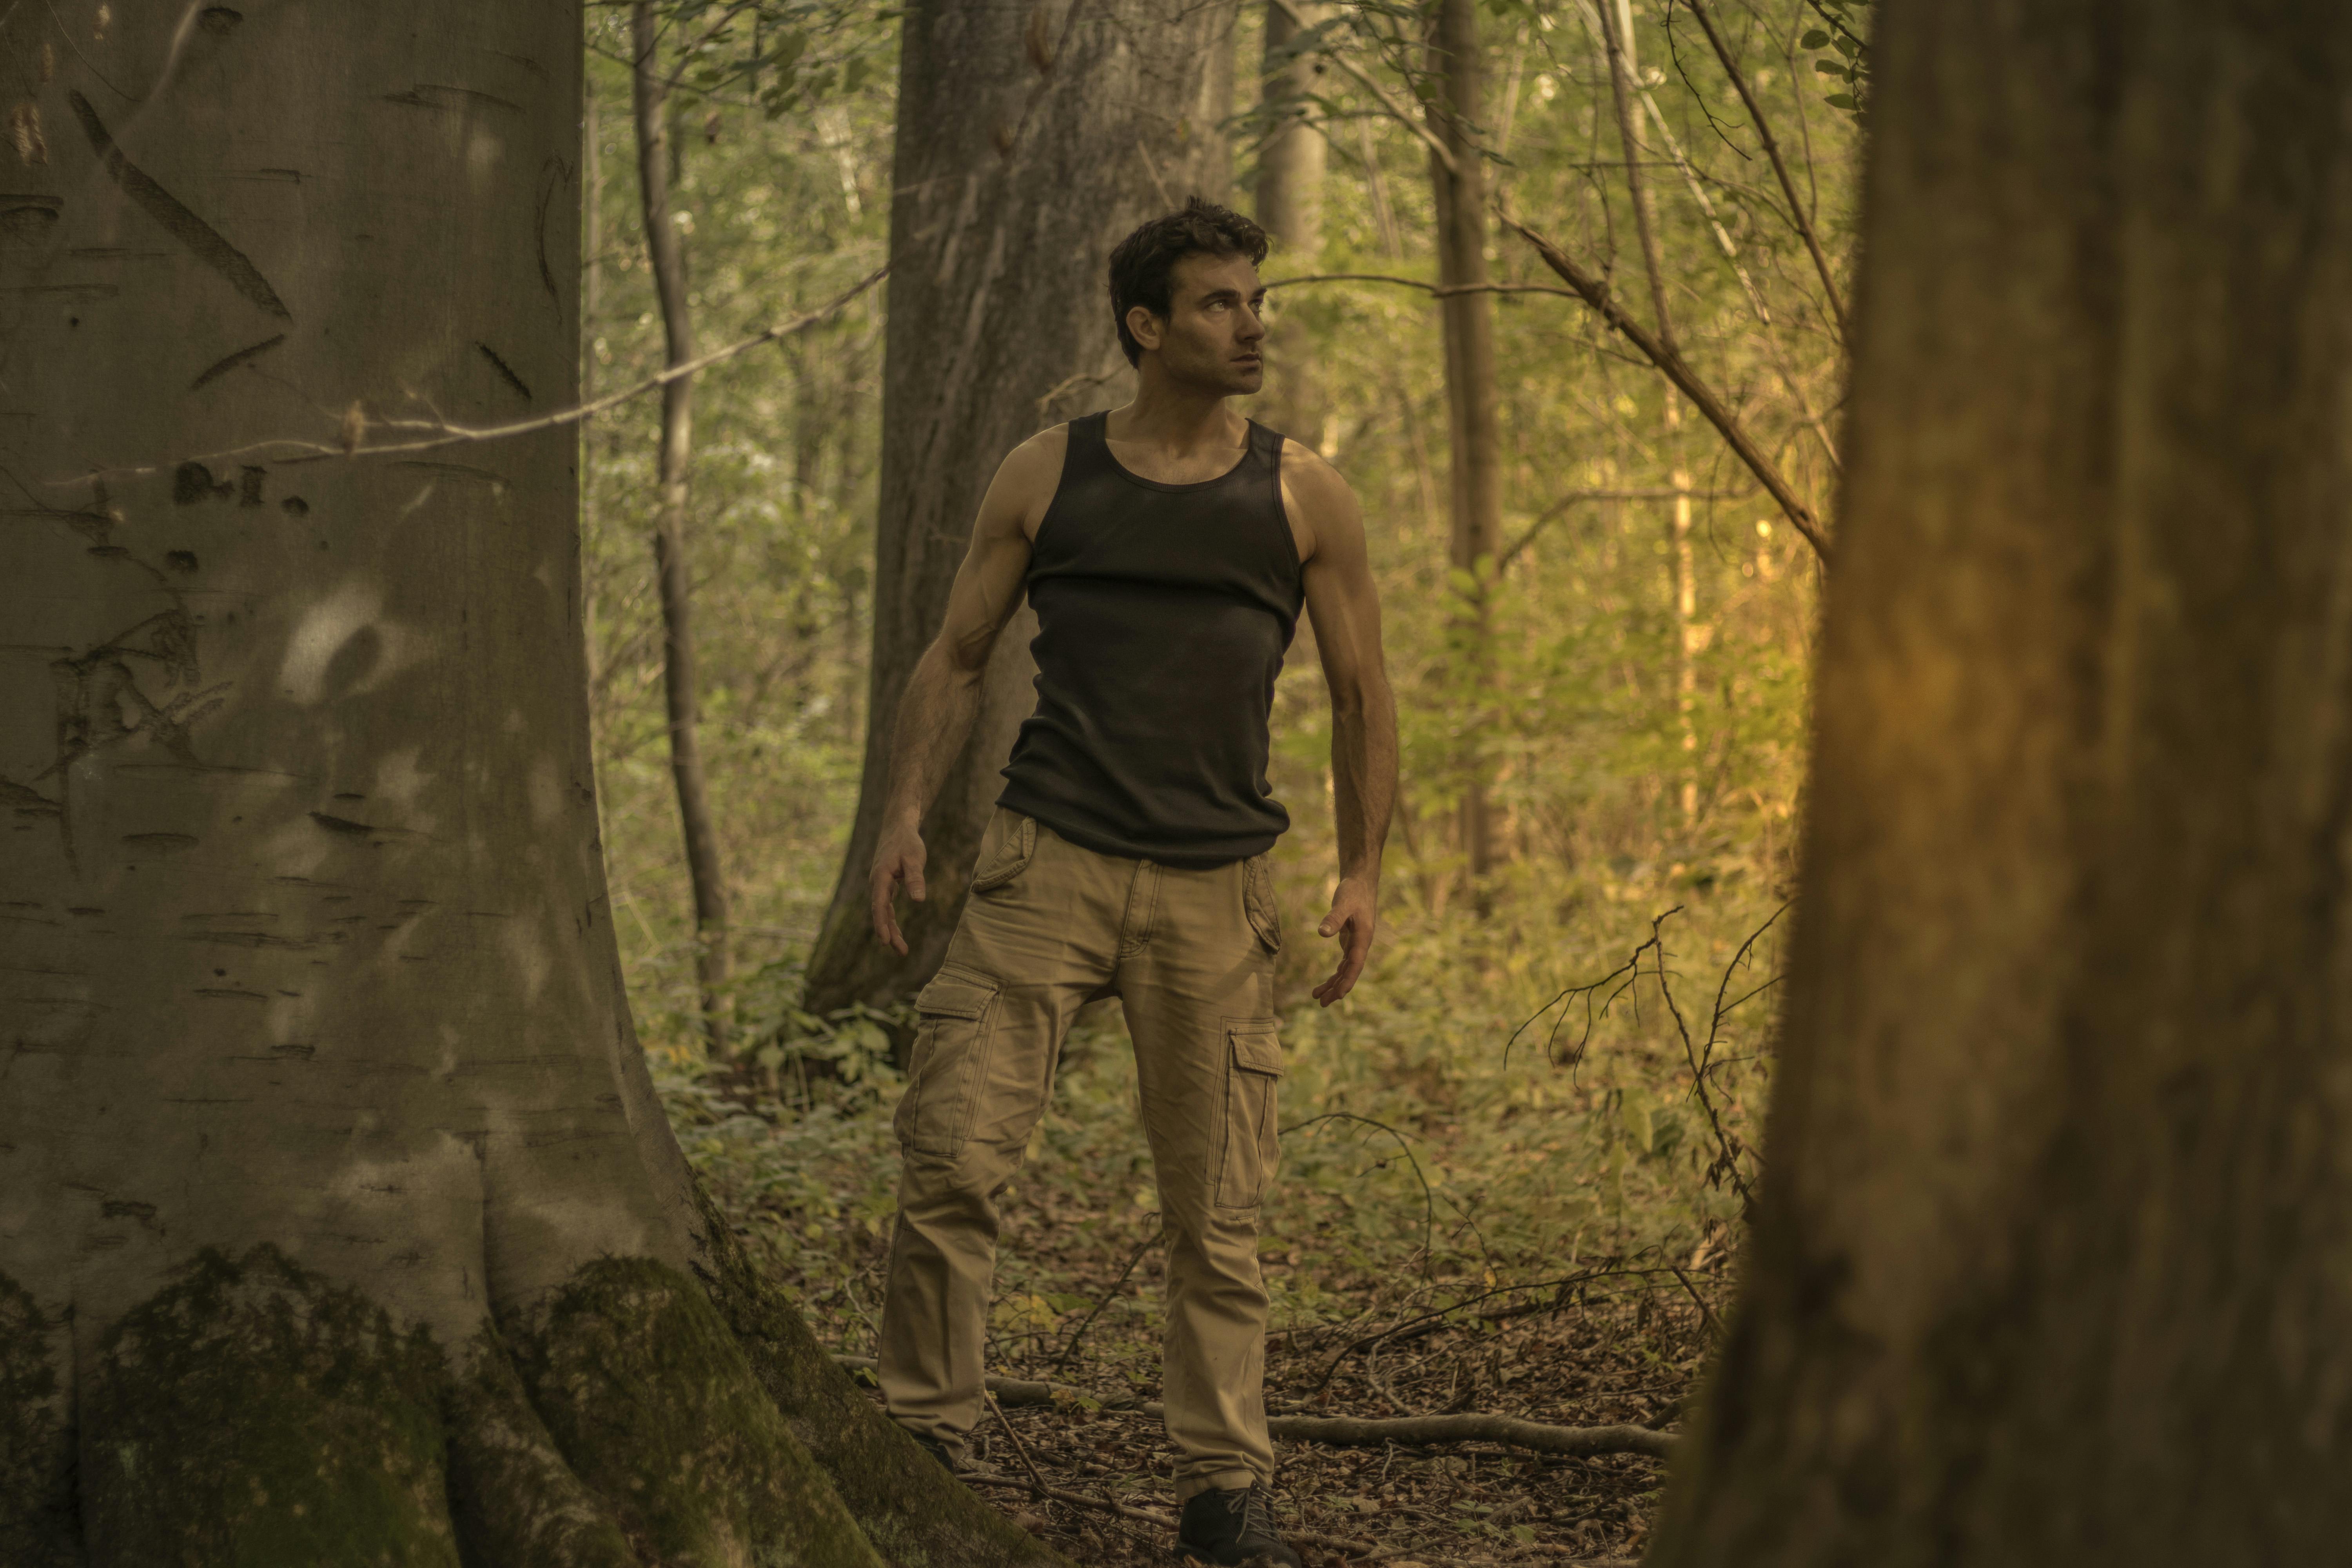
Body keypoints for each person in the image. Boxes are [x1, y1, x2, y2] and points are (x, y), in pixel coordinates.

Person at [867, 197, 1398, 1568]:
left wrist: (1362, 870)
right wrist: (904, 815)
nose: (1252, 325)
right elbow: (958, 656)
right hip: (1045, 862)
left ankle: (1225, 1495)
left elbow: (1359, 693)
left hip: (1219, 890)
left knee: (1219, 1214)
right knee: (953, 1156)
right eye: (1221, 303)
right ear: (1146, 327)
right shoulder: (1049, 473)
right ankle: (922, 1440)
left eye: (1257, 301)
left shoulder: (1303, 493)